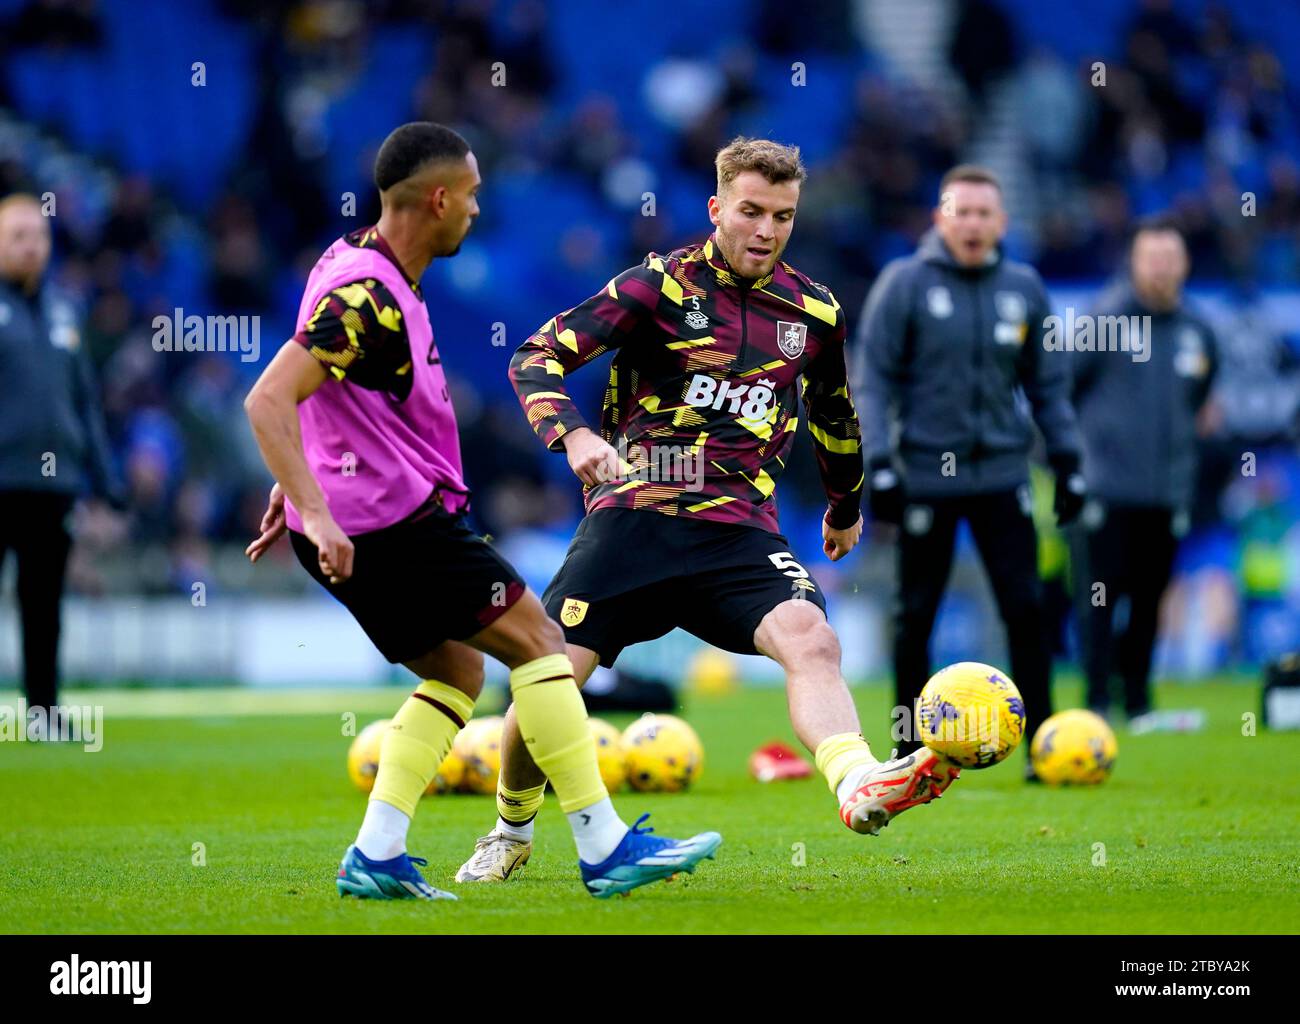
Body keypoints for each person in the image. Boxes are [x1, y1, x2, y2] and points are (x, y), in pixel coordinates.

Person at [455, 137, 961, 885]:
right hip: (637, 513)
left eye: (783, 216)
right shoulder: (658, 286)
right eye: (751, 212)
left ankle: (858, 784)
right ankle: (510, 830)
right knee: (550, 676)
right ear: (718, 207)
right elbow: (537, 355)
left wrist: (846, 506)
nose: (766, 230)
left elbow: (836, 415)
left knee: (812, 639)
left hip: (737, 526)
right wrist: (576, 434)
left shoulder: (813, 311)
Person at [242, 122, 720, 900]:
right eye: (469, 196)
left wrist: (304, 488)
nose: (475, 209)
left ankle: (377, 853)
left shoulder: (350, 263)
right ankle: (603, 846)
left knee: (459, 671)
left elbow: (324, 397)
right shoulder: (370, 299)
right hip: (393, 526)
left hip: (359, 517)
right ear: (436, 199)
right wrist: (311, 505)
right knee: (541, 641)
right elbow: (266, 398)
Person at [853, 165, 1085, 780]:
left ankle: (1044, 746)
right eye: (963, 212)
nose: (974, 224)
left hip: (1003, 475)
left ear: (1002, 223)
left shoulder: (1024, 287)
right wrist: (877, 462)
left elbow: (1048, 386)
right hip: (927, 474)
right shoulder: (904, 284)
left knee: (1026, 608)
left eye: (986, 213)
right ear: (940, 219)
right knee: (915, 613)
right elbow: (873, 381)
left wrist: (1068, 458)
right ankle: (906, 754)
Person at [1070, 217, 1218, 722]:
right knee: (1099, 599)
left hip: (1166, 492)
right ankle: (1096, 700)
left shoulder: (1198, 331)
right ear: (1133, 262)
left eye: (1170, 258)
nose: (1161, 268)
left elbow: (1198, 397)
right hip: (1105, 489)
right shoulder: (1100, 321)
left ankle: (1137, 700)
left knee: (1152, 600)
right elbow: (1062, 393)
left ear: (1185, 264)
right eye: (1151, 258)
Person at [0, 193, 123, 735]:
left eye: (38, 236)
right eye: (18, 236)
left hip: (53, 486)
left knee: (44, 604)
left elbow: (85, 404)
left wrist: (107, 478)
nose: (31, 247)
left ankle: (43, 713)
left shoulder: (64, 311)